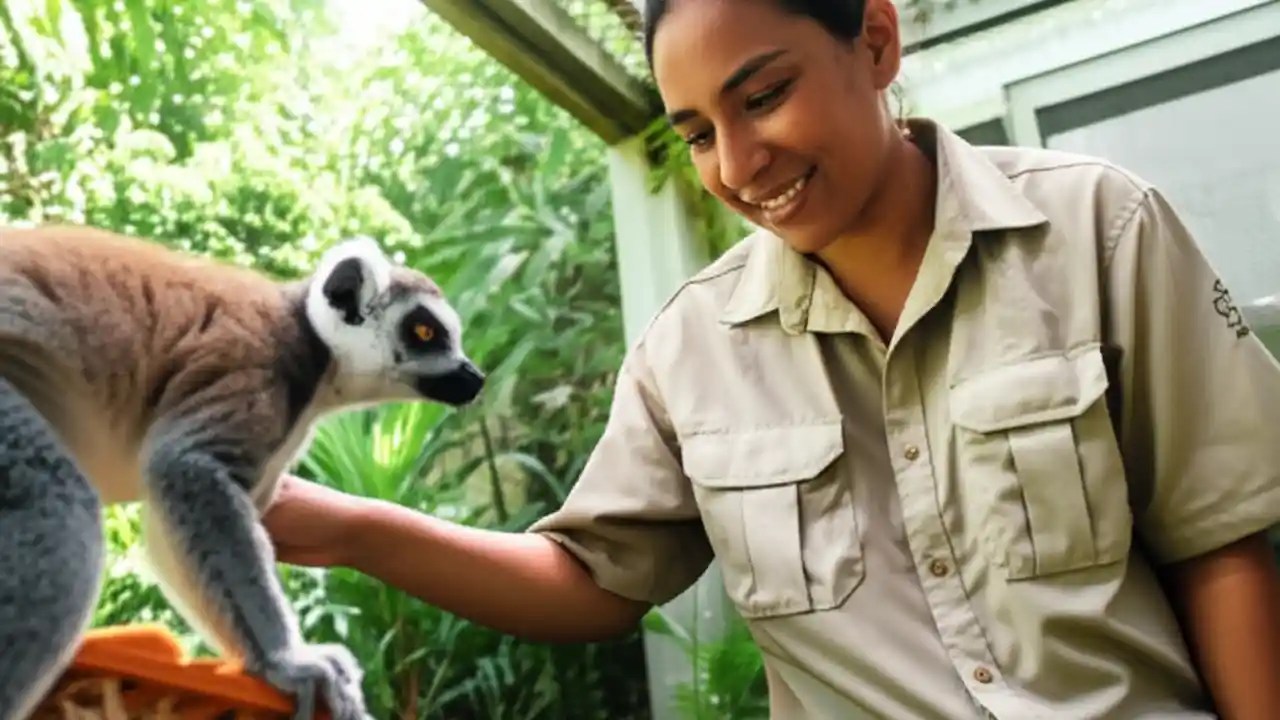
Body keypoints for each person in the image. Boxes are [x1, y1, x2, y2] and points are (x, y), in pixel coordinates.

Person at [263, 0, 1280, 717]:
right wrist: (344, 526)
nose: (738, 166)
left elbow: (1215, 546)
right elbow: (592, 581)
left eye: (763, 96)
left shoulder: (1097, 229)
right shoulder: (689, 351)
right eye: (697, 133)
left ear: (874, 41)